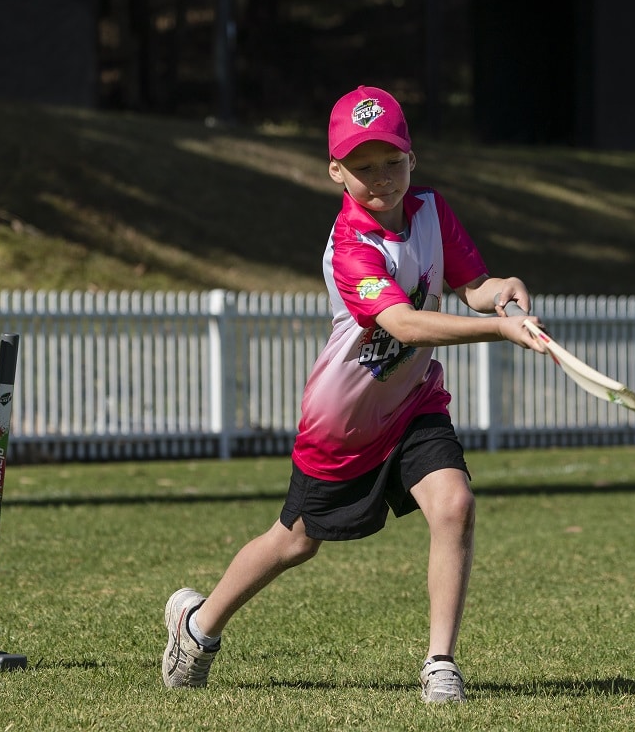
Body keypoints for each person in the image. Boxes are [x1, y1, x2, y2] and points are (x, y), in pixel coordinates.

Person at [161, 85, 546, 703]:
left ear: (412, 158)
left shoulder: (431, 212)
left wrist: (504, 291)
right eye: (363, 168)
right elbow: (403, 324)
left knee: (454, 504)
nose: (382, 178)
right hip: (344, 422)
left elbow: (472, 284)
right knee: (295, 540)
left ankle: (440, 663)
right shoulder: (350, 245)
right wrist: (498, 330)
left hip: (415, 399)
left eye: (392, 161)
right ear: (336, 173)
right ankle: (198, 626)